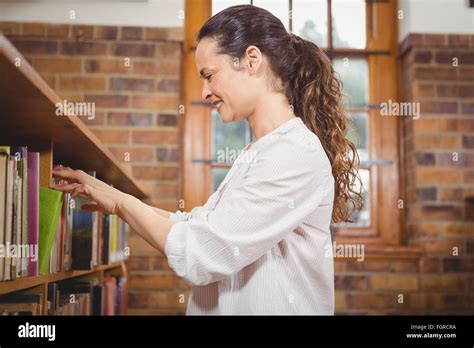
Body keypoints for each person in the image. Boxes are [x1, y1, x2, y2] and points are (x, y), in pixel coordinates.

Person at [51, 4, 363, 315]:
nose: (205, 92)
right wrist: (117, 198)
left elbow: (202, 253)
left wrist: (123, 205)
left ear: (251, 60)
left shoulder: (293, 154)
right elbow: (197, 225)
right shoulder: (260, 152)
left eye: (210, 75)